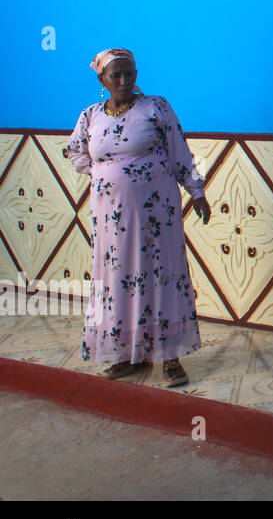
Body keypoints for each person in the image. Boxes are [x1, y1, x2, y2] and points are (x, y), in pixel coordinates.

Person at [65, 48, 211, 387]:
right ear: (102, 79)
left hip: (156, 214)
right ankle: (126, 353)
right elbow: (76, 151)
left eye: (129, 73)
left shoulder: (155, 108)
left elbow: (180, 151)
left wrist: (196, 190)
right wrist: (105, 174)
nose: (124, 80)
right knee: (118, 279)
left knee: (160, 276)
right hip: (110, 220)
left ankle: (170, 357)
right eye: (115, 75)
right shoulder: (90, 116)